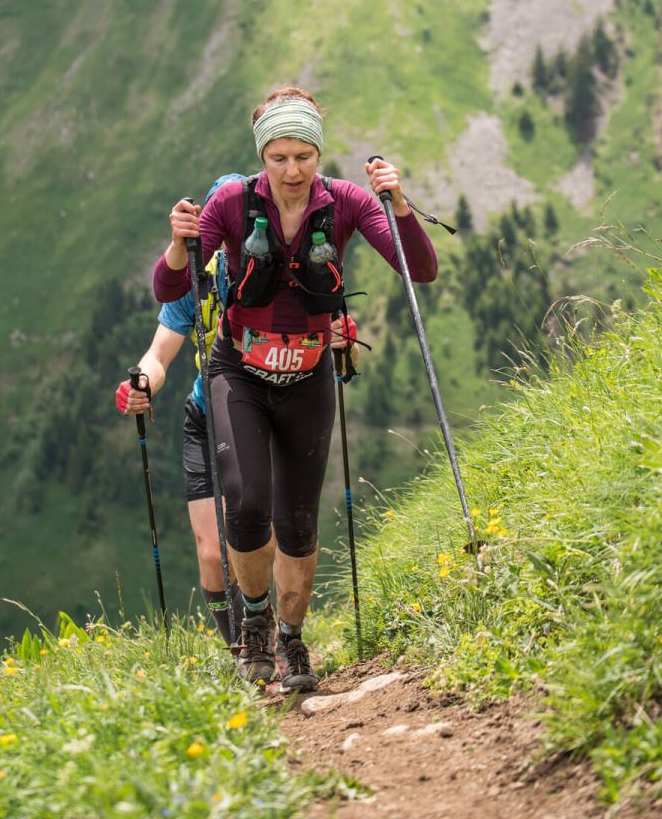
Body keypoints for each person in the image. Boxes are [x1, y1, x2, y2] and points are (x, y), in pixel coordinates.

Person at [151, 87, 438, 693]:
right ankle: (254, 623)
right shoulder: (231, 202)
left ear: (317, 153)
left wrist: (401, 205)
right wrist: (179, 243)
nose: (292, 170)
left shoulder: (348, 202)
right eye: (279, 157)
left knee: (300, 523)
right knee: (248, 504)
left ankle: (291, 639)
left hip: (307, 376)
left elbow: (421, 269)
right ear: (263, 156)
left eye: (303, 156)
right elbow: (167, 287)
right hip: (239, 374)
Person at [114, 174, 246, 648]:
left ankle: (263, 636)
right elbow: (160, 353)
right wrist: (141, 384)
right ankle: (238, 648)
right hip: (203, 414)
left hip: (258, 413)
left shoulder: (267, 265)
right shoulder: (198, 274)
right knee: (212, 552)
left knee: (247, 541)